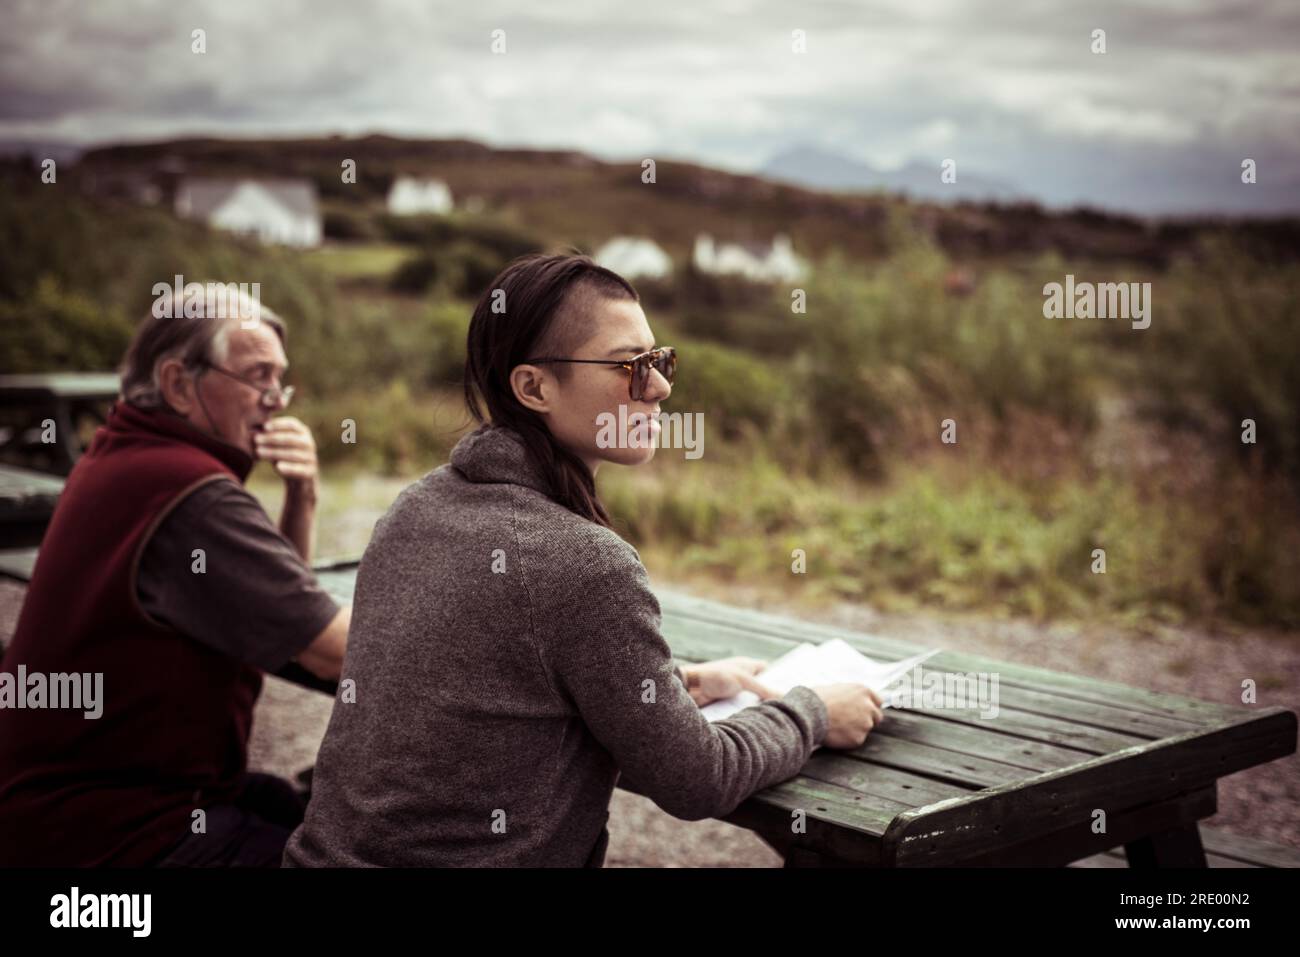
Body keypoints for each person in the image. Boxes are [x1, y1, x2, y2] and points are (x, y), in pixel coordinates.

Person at [282, 253, 880, 867]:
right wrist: (811, 711)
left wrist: (684, 684)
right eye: (630, 366)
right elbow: (698, 778)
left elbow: (509, 681)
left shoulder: (415, 508)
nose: (661, 388)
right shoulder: (584, 563)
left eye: (660, 359)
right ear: (533, 387)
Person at [0, 287, 350, 867]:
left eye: (279, 380)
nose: (274, 400)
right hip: (112, 831)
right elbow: (332, 651)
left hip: (60, 799)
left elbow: (279, 614)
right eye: (256, 376)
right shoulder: (196, 497)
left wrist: (303, 495)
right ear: (178, 384)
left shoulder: (121, 451)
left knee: (315, 808)